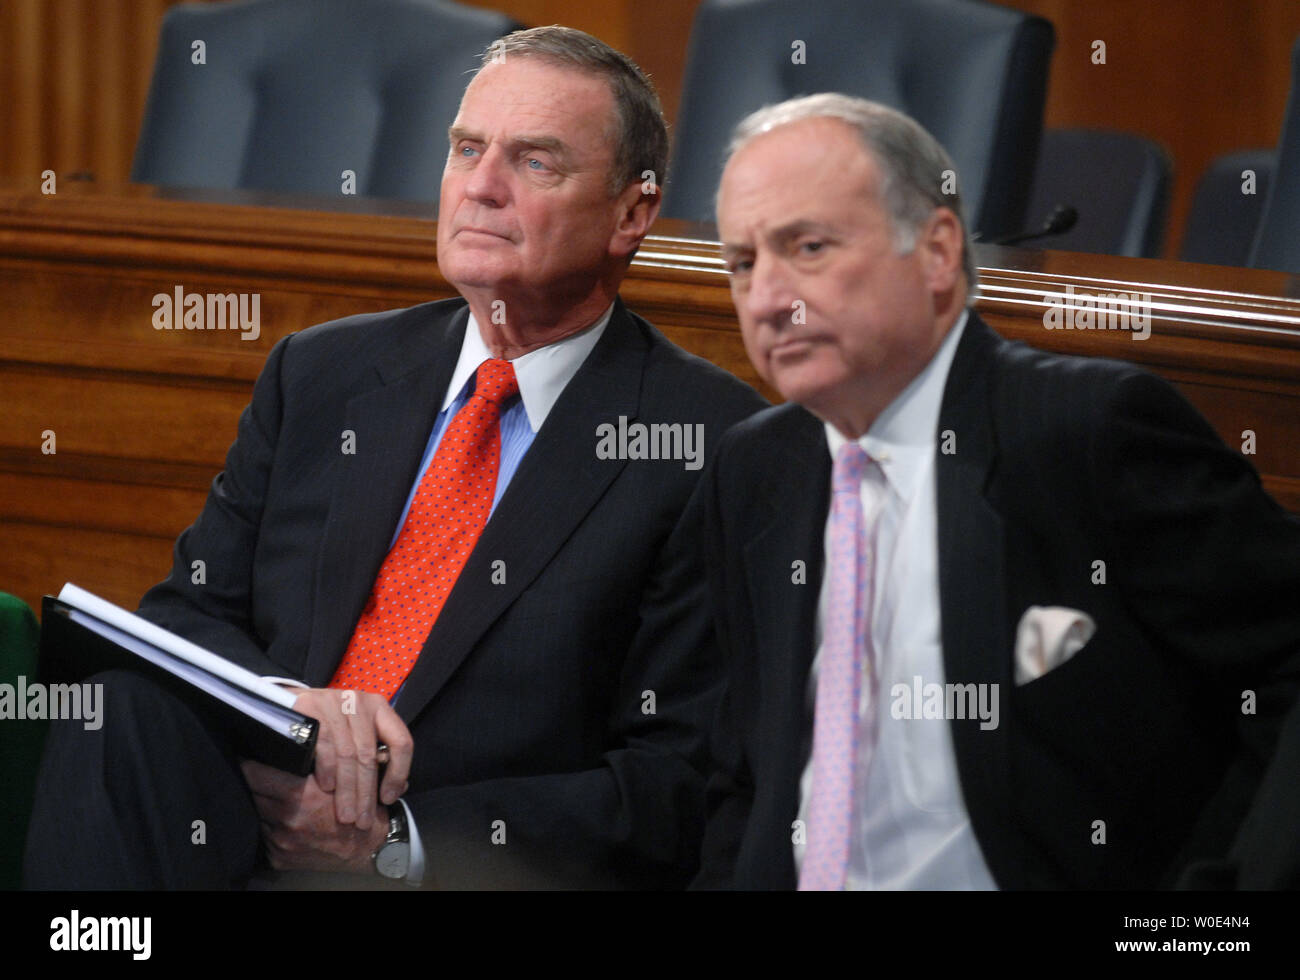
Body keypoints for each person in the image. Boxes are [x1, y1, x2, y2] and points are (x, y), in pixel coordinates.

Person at [23, 26, 764, 890]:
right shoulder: (323, 373)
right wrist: (296, 714)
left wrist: (396, 844)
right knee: (122, 708)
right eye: (466, 148)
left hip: (453, 867)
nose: (480, 188)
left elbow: (677, 780)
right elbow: (189, 614)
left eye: (534, 163)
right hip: (238, 818)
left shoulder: (706, 443)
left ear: (631, 215)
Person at [691, 93, 1300, 890]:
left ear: (939, 251)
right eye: (743, 262)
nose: (770, 299)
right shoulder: (754, 468)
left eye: (807, 247)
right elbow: (747, 771)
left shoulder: (1085, 431)